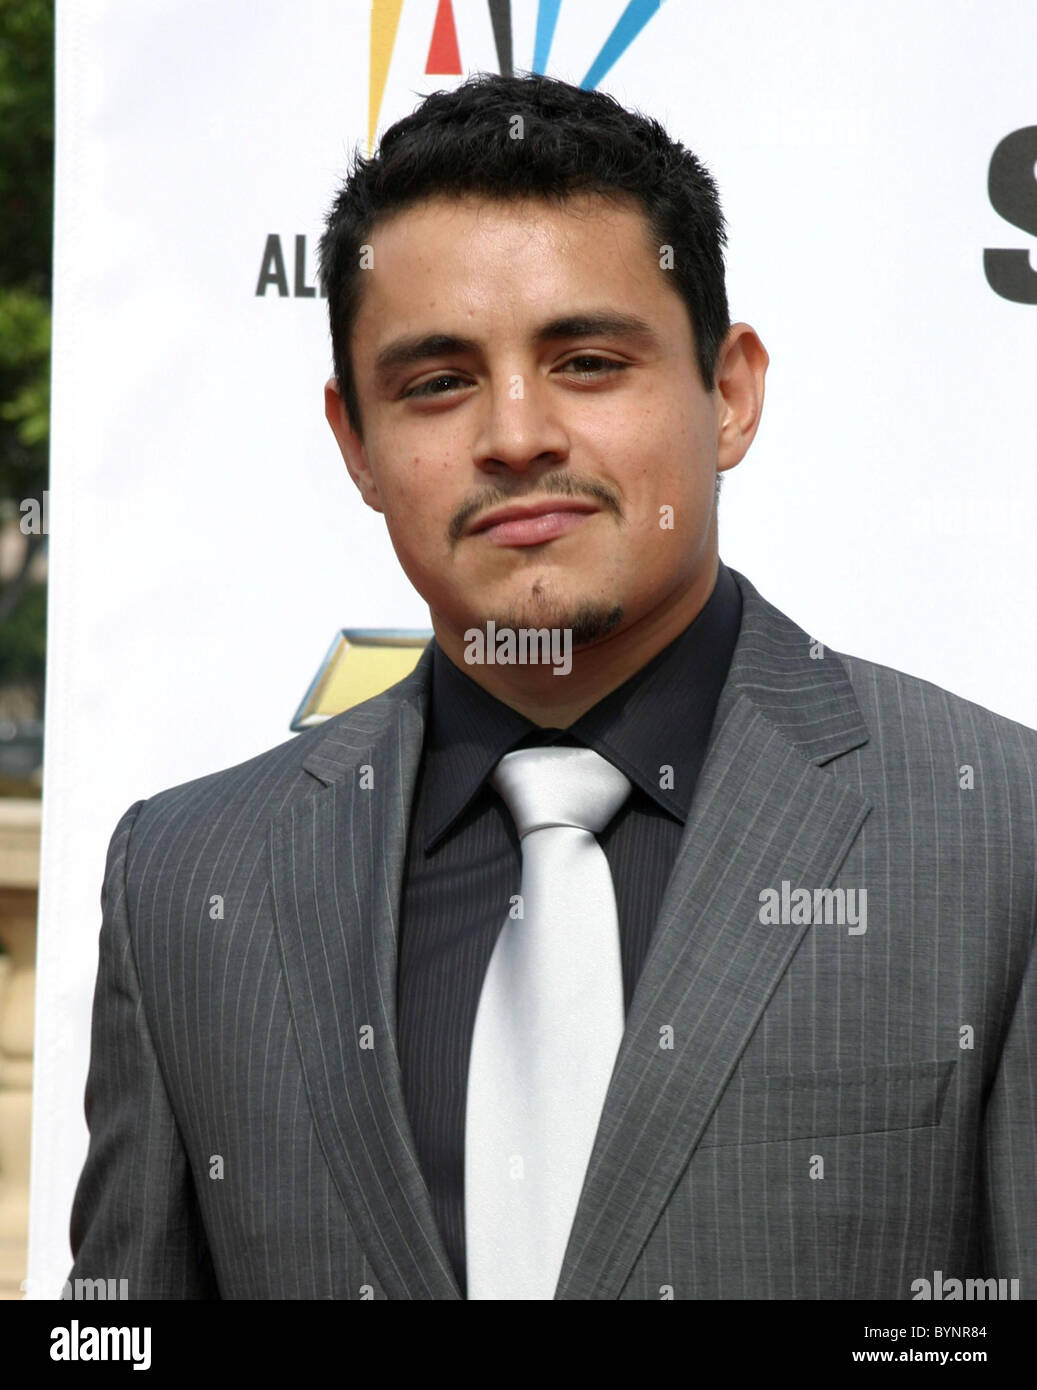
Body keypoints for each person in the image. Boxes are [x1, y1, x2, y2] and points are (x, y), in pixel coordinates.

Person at [69, 72, 1036, 1301]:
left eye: (584, 360)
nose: (515, 433)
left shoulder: (999, 834)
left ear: (727, 393)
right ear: (356, 442)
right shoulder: (185, 881)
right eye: (435, 382)